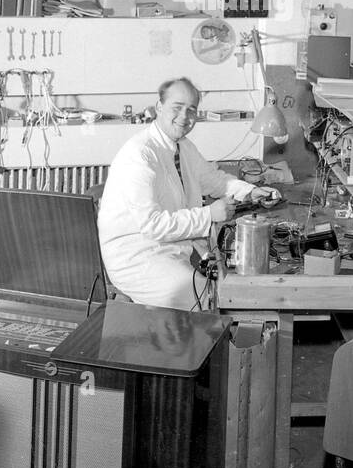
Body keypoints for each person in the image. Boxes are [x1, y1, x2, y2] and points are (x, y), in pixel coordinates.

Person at [97, 76, 281, 310]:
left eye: (191, 110)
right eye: (177, 108)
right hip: (137, 256)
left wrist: (251, 192)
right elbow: (153, 225)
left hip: (171, 246)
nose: (184, 117)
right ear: (159, 107)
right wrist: (208, 215)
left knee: (223, 284)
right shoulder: (140, 155)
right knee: (207, 298)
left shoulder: (182, 146)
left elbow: (213, 180)